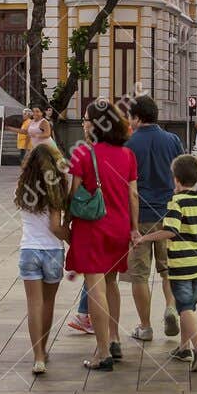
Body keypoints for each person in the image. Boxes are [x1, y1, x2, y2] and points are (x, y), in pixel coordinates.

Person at [65, 97, 138, 371]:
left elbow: (73, 194)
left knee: (94, 286)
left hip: (93, 227)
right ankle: (115, 338)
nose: (83, 123)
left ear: (94, 124)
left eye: (85, 118)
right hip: (120, 227)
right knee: (111, 284)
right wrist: (133, 228)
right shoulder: (127, 154)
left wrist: (66, 226)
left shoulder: (83, 154)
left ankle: (103, 352)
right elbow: (133, 194)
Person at [133, 152, 197, 372]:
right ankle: (183, 348)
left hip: (181, 266)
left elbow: (170, 231)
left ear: (175, 179)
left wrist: (144, 237)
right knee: (190, 308)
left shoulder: (176, 202)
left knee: (184, 307)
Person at [124, 95, 183, 344]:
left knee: (139, 274)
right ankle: (170, 306)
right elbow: (182, 178)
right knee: (168, 268)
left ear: (137, 118)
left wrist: (130, 225)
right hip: (169, 213)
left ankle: (145, 326)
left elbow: (127, 187)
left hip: (141, 217)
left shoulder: (129, 144)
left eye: (130, 116)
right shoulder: (173, 140)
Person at [16, 142, 70, 375]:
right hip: (52, 252)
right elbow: (56, 227)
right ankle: (44, 349)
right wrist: (72, 239)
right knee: (48, 303)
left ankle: (37, 356)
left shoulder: (21, 188)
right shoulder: (55, 189)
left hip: (28, 250)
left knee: (33, 305)